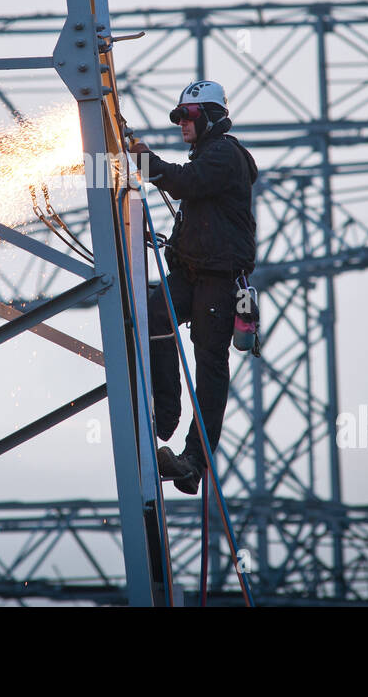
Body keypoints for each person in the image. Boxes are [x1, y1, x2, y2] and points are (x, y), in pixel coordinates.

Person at [128, 80, 258, 494]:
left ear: (212, 117)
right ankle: (165, 413)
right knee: (153, 314)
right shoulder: (207, 155)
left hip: (219, 282)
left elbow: (184, 182)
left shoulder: (225, 156)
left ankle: (193, 462)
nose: (181, 122)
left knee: (210, 366)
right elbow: (183, 184)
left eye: (189, 115)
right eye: (178, 115)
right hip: (191, 274)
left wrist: (143, 158)